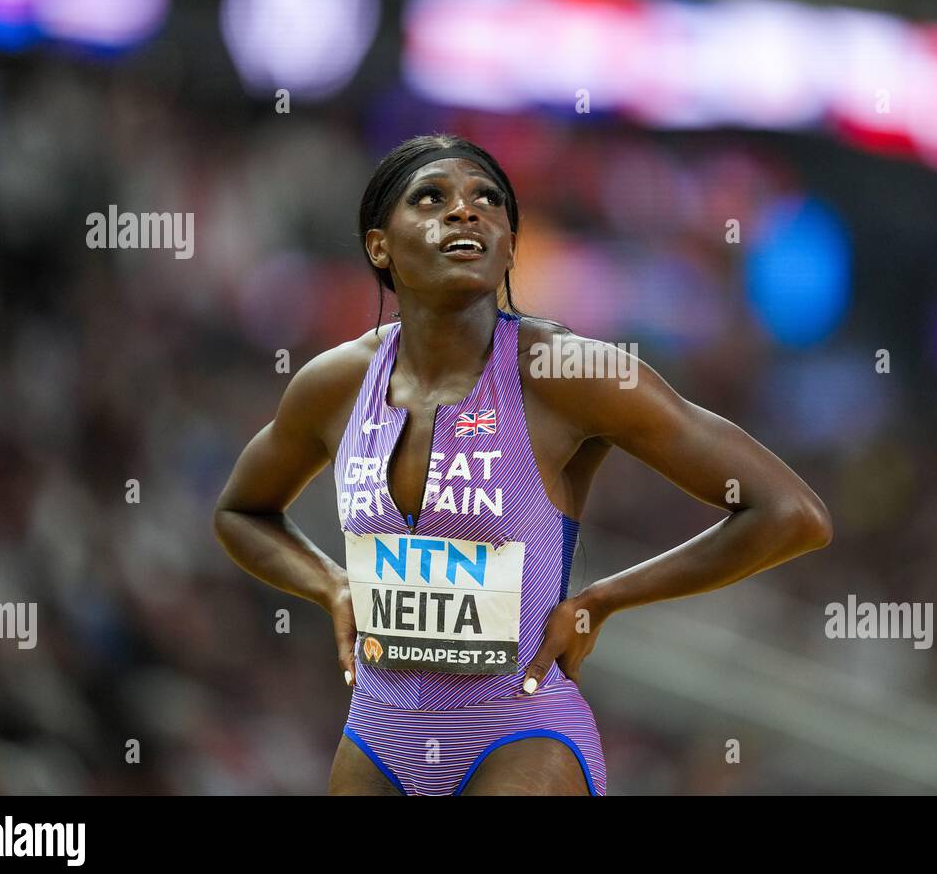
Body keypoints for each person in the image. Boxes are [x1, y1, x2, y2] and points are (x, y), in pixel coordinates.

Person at [213, 133, 833, 795]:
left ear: (509, 245)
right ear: (379, 246)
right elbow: (240, 512)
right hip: (376, 733)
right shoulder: (334, 384)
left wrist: (603, 600)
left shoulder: (565, 371)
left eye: (488, 200)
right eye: (431, 198)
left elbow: (791, 512)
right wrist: (330, 584)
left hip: (518, 732)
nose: (465, 212)